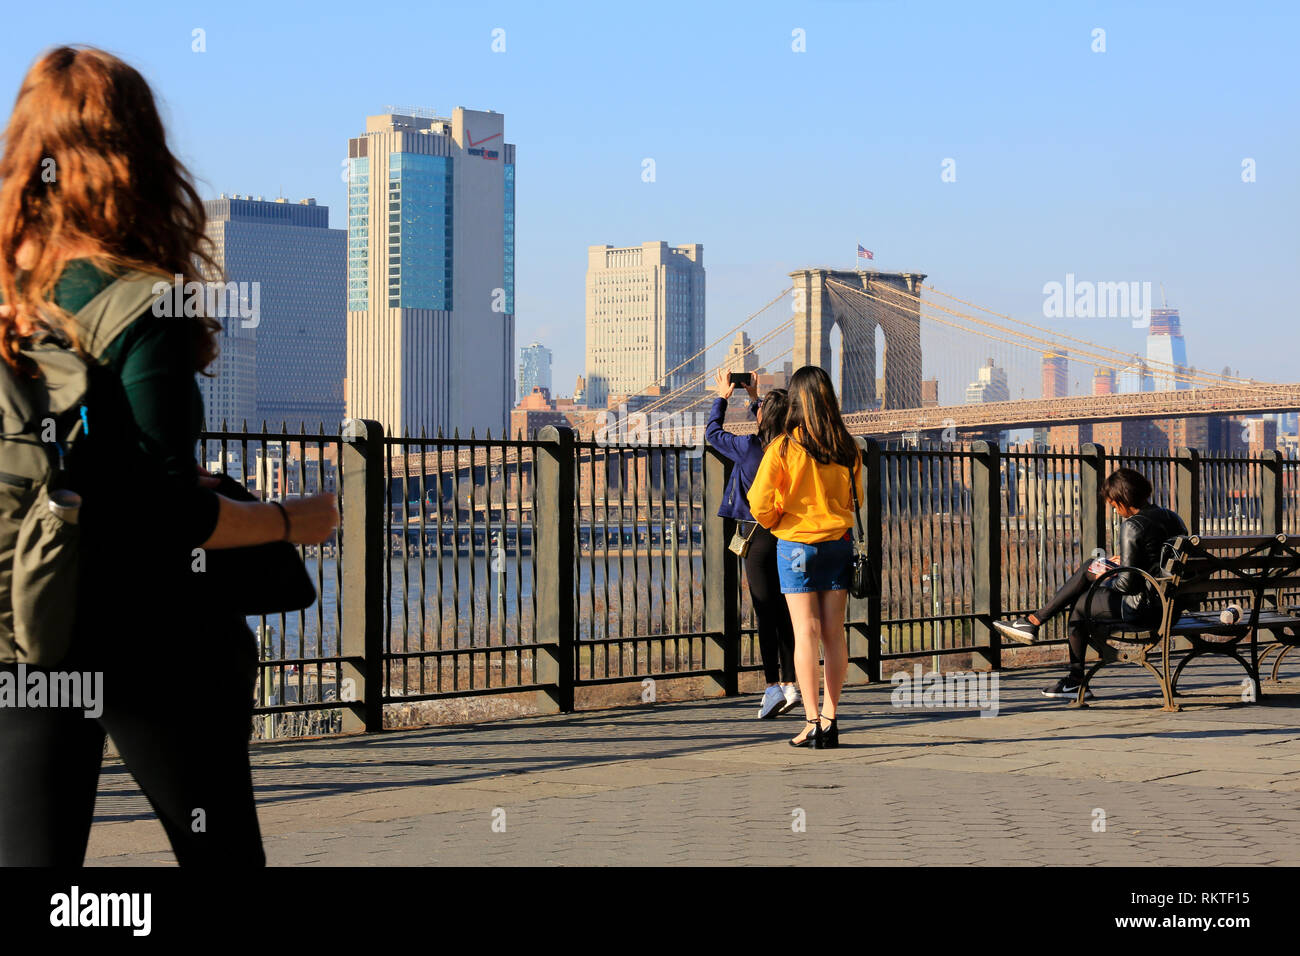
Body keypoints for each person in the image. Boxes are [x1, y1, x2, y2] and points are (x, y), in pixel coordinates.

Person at [0, 46, 339, 866]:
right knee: (219, 848)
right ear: (138, 156)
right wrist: (294, 519)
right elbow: (169, 516)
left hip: (18, 620)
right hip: (143, 627)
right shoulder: (142, 304)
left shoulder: (9, 294)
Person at [993, 467, 1187, 699]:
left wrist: (1108, 576)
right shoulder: (1172, 517)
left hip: (1143, 610)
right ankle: (1034, 622)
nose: (1115, 512)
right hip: (1172, 608)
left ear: (1122, 499)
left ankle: (1068, 671)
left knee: (1081, 601)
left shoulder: (1132, 526)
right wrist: (1122, 564)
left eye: (1114, 505)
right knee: (1091, 569)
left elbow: (1127, 586)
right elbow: (1158, 562)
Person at [747, 366, 862, 749]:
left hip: (796, 546)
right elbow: (853, 499)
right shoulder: (847, 447)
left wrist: (778, 518)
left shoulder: (783, 447)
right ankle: (831, 719)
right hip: (837, 544)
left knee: (805, 633)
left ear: (795, 400)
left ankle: (811, 722)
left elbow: (759, 502)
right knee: (833, 634)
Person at [705, 369, 797, 719]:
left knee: (765, 611)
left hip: (756, 535)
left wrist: (724, 397)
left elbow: (713, 433)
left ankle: (772, 687)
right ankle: (792, 684)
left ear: (761, 417)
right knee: (789, 610)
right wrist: (757, 398)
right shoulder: (792, 449)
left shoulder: (747, 447)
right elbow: (772, 420)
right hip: (788, 534)